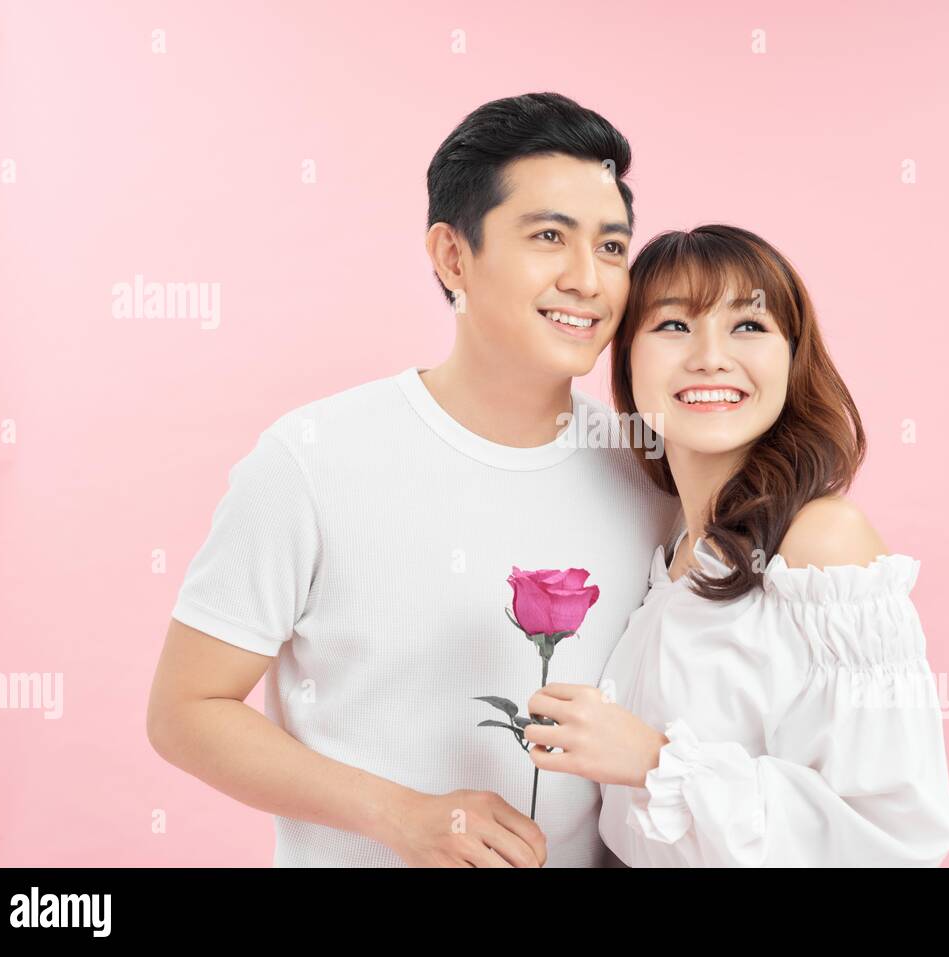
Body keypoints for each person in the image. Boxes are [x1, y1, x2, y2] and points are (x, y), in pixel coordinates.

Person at [145, 93, 678, 867]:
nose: (588, 279)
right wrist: (399, 815)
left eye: (611, 247)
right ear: (453, 256)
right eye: (549, 237)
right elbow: (185, 710)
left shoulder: (651, 475)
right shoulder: (313, 459)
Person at [521, 225, 949, 866]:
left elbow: (893, 836)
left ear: (791, 356)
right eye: (673, 326)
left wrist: (654, 762)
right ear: (626, 361)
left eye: (748, 327)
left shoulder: (822, 545)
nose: (709, 357)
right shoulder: (667, 546)